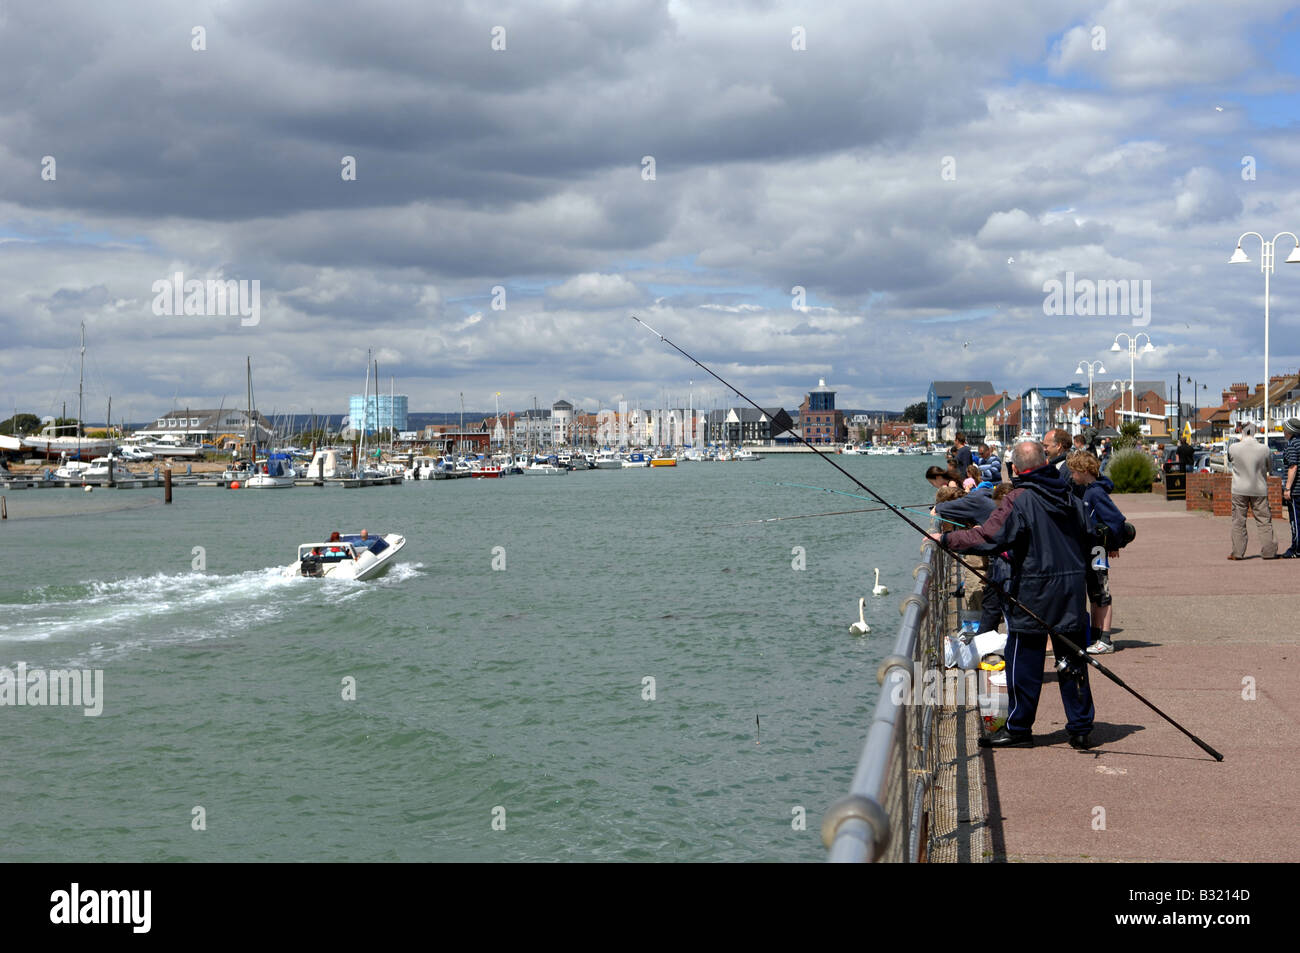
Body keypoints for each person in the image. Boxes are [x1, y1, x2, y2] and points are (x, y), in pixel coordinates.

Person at [937, 440, 1096, 749]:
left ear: (1016, 469)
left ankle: (1019, 727)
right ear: (1046, 462)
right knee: (1072, 660)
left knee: (1023, 660)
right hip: (1071, 589)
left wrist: (946, 538)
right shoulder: (1070, 494)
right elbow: (1089, 534)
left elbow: (990, 536)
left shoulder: (1019, 499)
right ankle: (1081, 727)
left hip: (1033, 591)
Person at [1067, 451, 1126, 654]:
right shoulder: (1089, 491)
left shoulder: (1095, 493)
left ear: (1084, 472)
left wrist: (1113, 544)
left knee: (1101, 593)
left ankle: (1105, 639)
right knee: (1094, 594)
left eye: (1074, 472)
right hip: (1090, 548)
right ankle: (1095, 635)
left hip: (1097, 549)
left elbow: (1116, 519)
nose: (1072, 476)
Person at [1227, 423, 1277, 560]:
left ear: (1241, 431)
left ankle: (1237, 552)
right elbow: (1269, 467)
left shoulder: (1233, 448)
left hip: (1239, 488)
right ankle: (1269, 552)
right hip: (1259, 488)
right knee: (1264, 521)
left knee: (1238, 521)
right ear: (1255, 432)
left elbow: (1230, 461)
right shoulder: (1264, 449)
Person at [1281, 418, 1300, 558]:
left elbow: (1293, 466)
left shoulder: (1292, 445)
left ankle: (1296, 549)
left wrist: (1287, 488)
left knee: (1295, 520)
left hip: (1296, 490)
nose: (1283, 431)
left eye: (1284, 429)